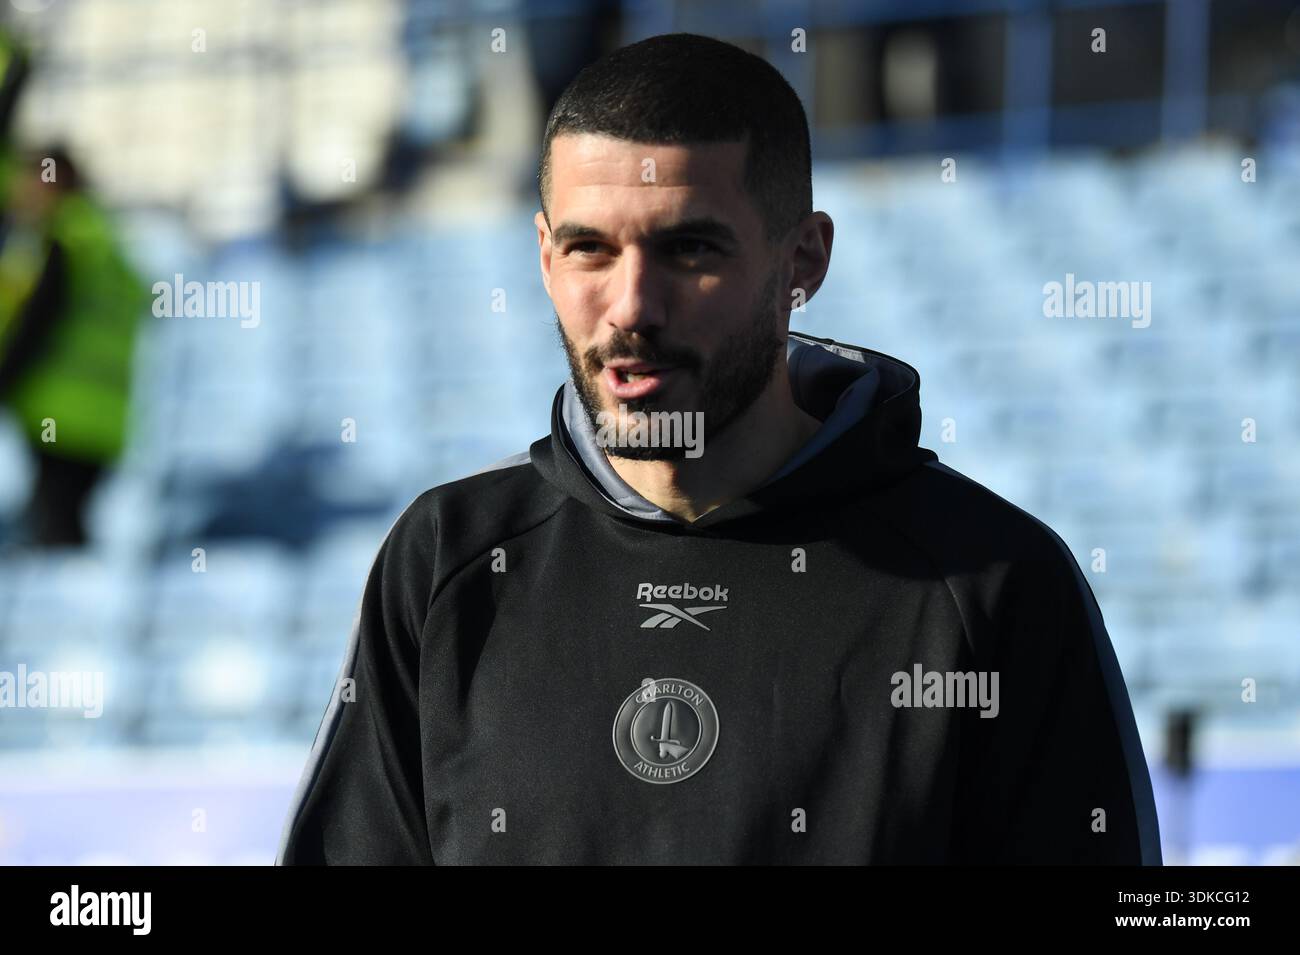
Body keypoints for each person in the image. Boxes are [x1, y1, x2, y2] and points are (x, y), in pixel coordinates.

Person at [277, 33, 1161, 865]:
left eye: (689, 248)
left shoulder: (993, 582)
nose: (632, 307)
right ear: (545, 258)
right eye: (589, 249)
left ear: (802, 261)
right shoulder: (445, 563)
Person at [0, 145, 147, 547]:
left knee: (55, 528)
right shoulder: (102, 238)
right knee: (67, 523)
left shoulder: (65, 240)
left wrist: (5, 380)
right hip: (104, 417)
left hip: (61, 412)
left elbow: (38, 322)